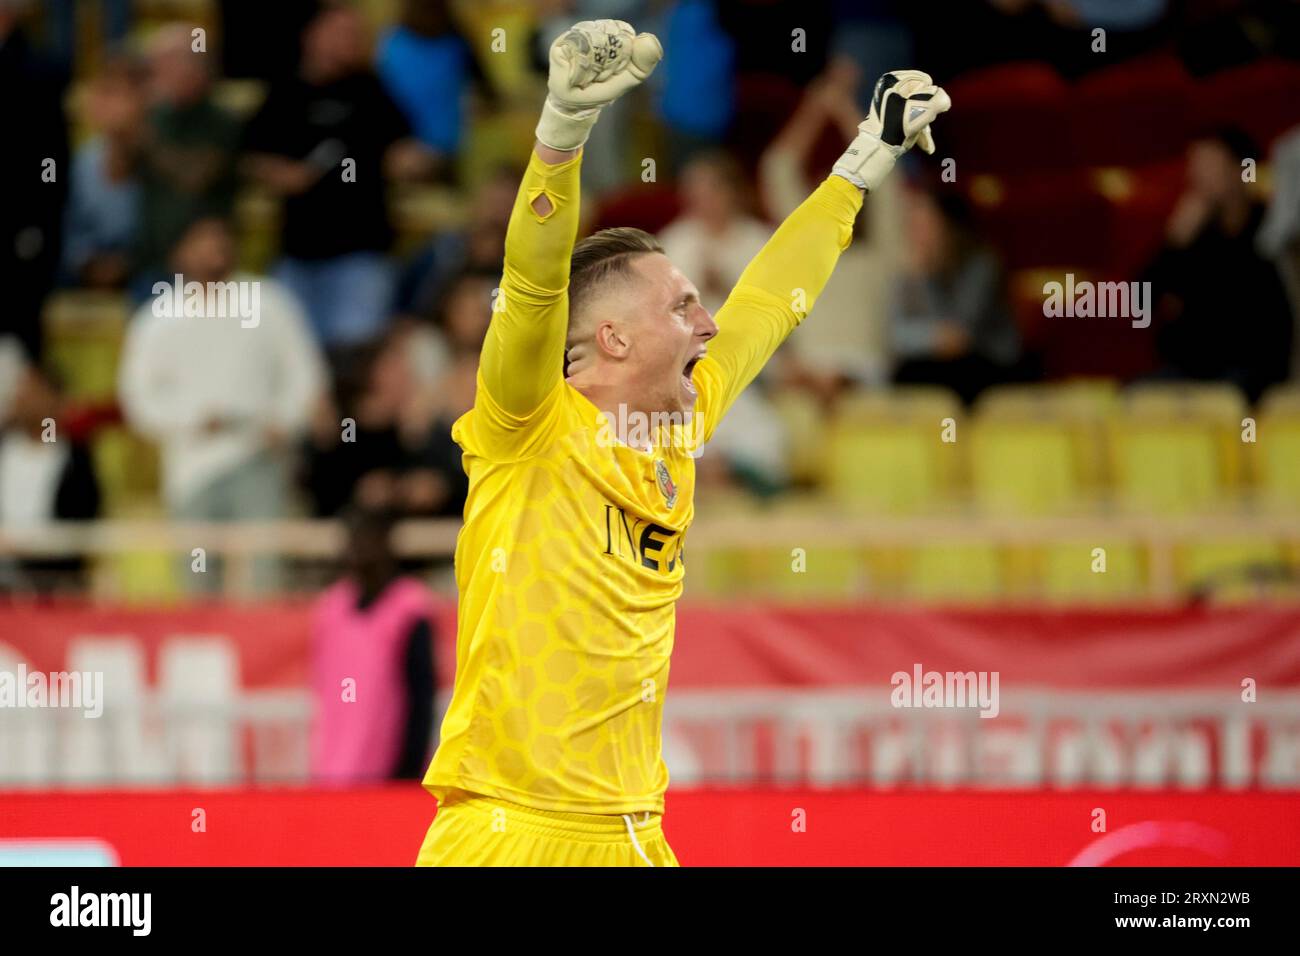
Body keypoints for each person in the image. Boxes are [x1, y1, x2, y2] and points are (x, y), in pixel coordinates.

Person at [414, 20, 949, 866]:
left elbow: (773, 301)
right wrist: (561, 133)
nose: (709, 322)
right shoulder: (527, 424)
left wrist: (862, 164)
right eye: (682, 307)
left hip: (635, 834)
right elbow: (529, 283)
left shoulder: (680, 421)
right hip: (511, 831)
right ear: (614, 339)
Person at [117, 217, 327, 596]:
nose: (211, 253)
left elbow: (305, 374)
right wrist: (191, 421)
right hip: (191, 466)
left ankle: (267, 653)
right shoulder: (157, 319)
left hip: (258, 454)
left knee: (264, 578)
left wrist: (285, 421)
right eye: (199, 243)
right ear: (178, 253)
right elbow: (138, 399)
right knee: (197, 583)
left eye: (218, 241)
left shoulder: (269, 303)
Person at [242, 4, 435, 350]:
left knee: (355, 358)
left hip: (362, 255)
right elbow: (248, 154)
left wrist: (411, 161)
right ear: (312, 36)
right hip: (298, 255)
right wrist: (279, 172)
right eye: (340, 33)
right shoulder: (285, 92)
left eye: (356, 35)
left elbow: (410, 150)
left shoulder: (372, 91)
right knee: (290, 352)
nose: (350, 42)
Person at [1144, 128, 1294, 402]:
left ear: (1241, 169)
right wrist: (1174, 242)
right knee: (1137, 399)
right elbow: (1142, 300)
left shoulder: (1271, 227)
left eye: (1210, 164)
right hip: (1191, 369)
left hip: (1252, 369)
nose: (1198, 175)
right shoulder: (1191, 232)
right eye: (1195, 165)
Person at [310, 506, 436, 783]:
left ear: (386, 544)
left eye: (368, 538)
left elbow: (421, 697)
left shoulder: (410, 608)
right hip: (333, 771)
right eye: (353, 539)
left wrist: (407, 770)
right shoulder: (332, 607)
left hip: (389, 772)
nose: (359, 548)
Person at [133, 24, 242, 299]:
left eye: (164, 65)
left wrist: (144, 138)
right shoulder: (152, 117)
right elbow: (114, 175)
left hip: (205, 270)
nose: (157, 75)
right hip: (151, 263)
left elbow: (195, 177)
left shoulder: (222, 122)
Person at [889, 185, 1019, 405]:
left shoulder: (981, 265)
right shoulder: (913, 271)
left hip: (988, 363)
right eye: (911, 226)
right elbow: (897, 336)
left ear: (945, 225)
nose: (915, 234)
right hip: (939, 364)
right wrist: (918, 279)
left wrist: (927, 334)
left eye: (923, 225)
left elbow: (959, 336)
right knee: (903, 376)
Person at [61, 53, 148, 290]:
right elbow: (70, 227)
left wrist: (127, 263)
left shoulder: (163, 156)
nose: (100, 102)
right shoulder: (83, 161)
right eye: (100, 93)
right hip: (83, 268)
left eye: (115, 93)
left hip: (148, 270)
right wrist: (86, 262)